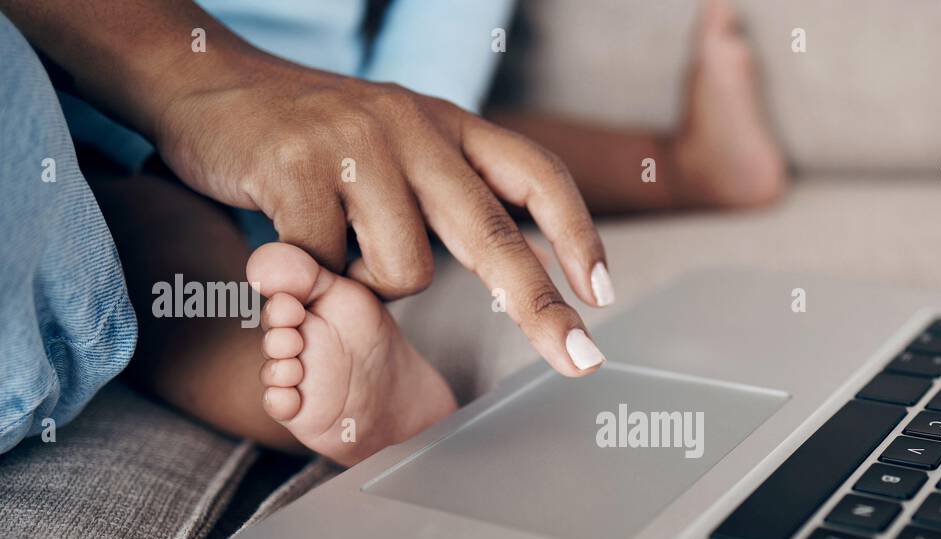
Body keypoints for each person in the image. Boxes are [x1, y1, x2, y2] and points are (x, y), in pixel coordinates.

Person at [2, 0, 785, 464]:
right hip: (97, 127)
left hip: (322, 109)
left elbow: (434, 45)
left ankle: (690, 166)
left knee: (482, 144)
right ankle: (321, 395)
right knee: (145, 236)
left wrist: (391, 153)